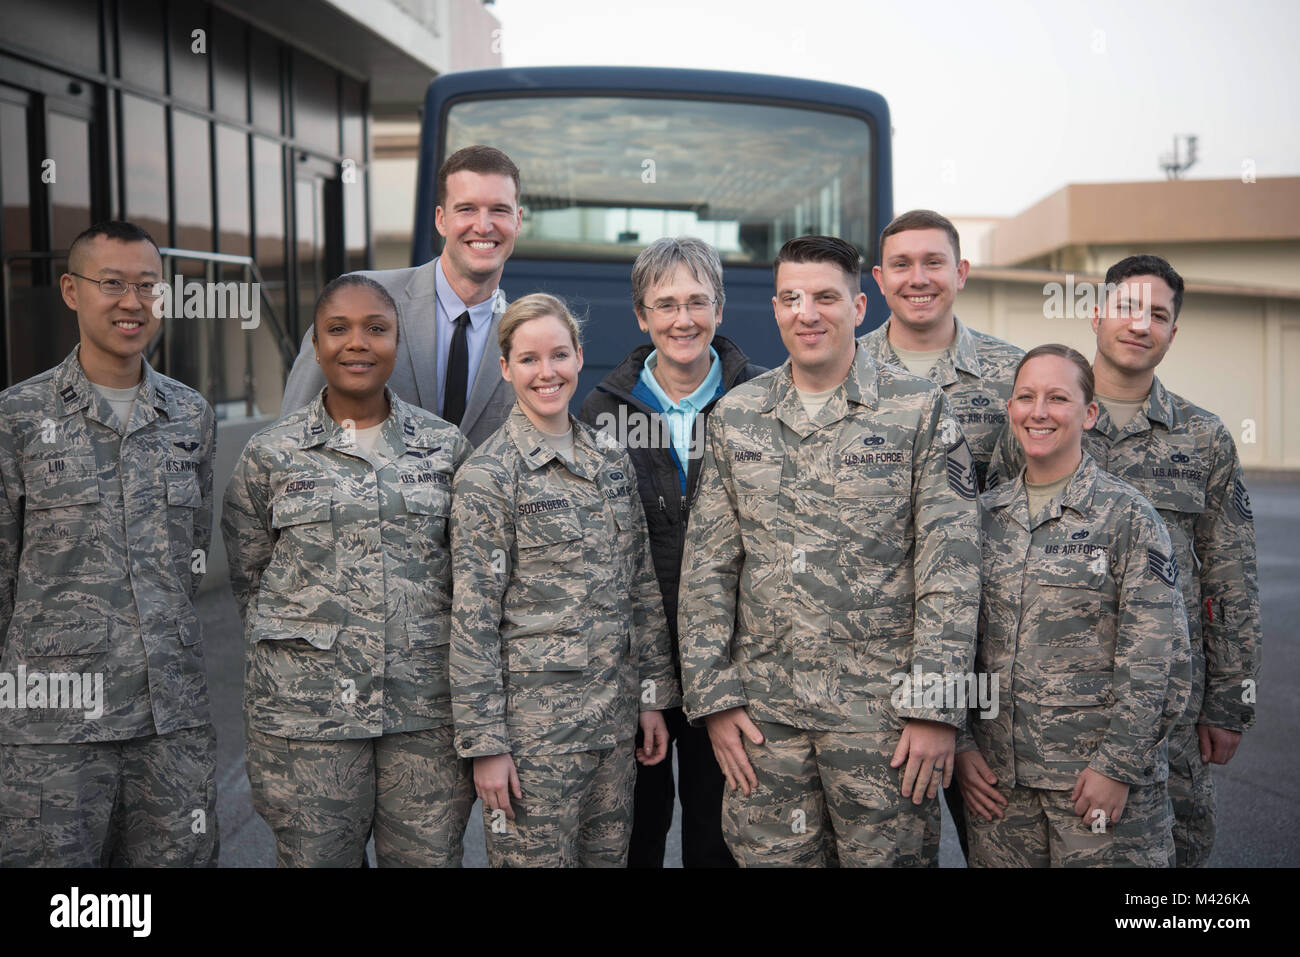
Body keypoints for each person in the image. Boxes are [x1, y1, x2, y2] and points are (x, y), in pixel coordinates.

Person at [677, 235, 980, 867]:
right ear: (776, 308)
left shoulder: (920, 413)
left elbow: (950, 568)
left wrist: (935, 708)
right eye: (790, 298)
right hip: (766, 723)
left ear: (859, 306)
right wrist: (714, 700)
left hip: (883, 725)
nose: (805, 313)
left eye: (824, 297)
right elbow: (707, 569)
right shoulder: (737, 417)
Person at [988, 256, 1261, 867]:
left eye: (1158, 315)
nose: (1140, 326)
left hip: (1163, 697)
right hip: (1036, 710)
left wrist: (1230, 701)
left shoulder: (1203, 437)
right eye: (1127, 310)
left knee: (1171, 848)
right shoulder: (1034, 423)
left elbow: (1231, 574)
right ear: (1097, 316)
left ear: (1172, 332)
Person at [222, 274, 475, 867]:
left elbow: (468, 576)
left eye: (376, 329)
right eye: (338, 329)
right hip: (308, 720)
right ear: (315, 344)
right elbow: (250, 575)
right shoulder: (270, 453)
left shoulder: (444, 448)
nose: (357, 343)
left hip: (424, 717)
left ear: (397, 344)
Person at [0, 220, 218, 866]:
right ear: (71, 290)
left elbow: (190, 559)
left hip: (170, 728)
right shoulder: (16, 418)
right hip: (54, 736)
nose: (132, 302)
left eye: (147, 286)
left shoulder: (189, 415)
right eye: (112, 284)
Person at [451, 293, 680, 867]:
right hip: (533, 744)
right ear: (505, 368)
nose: (546, 372)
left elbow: (642, 588)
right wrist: (486, 747)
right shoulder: (488, 475)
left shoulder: (611, 460)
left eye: (558, 354)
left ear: (580, 357)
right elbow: (472, 620)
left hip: (613, 728)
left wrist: (653, 699)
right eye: (528, 359)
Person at [959, 344, 1191, 866]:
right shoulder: (979, 517)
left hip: (1096, 789)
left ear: (1089, 414)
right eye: (1026, 397)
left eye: (1057, 398)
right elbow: (950, 639)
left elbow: (1158, 656)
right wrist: (960, 746)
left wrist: (1118, 765)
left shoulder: (1128, 517)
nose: (1038, 411)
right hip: (1001, 789)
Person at [577, 237, 763, 869]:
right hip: (637, 671)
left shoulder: (761, 401)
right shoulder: (603, 411)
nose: (683, 320)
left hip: (738, 665)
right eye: (665, 305)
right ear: (641, 316)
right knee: (637, 837)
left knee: (722, 840)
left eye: (697, 302)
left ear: (720, 308)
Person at [863, 208, 1023, 858]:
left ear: (961, 271)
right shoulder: (845, 366)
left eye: (934, 262)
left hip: (994, 654)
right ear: (877, 278)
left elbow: (1026, 521)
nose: (918, 277)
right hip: (875, 661)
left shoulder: (1012, 376)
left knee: (1006, 843)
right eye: (901, 264)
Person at [280, 145, 521, 447]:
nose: (483, 226)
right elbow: (290, 434)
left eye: (499, 210)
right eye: (467, 209)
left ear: (518, 221)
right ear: (441, 220)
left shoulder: (524, 337)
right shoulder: (360, 299)